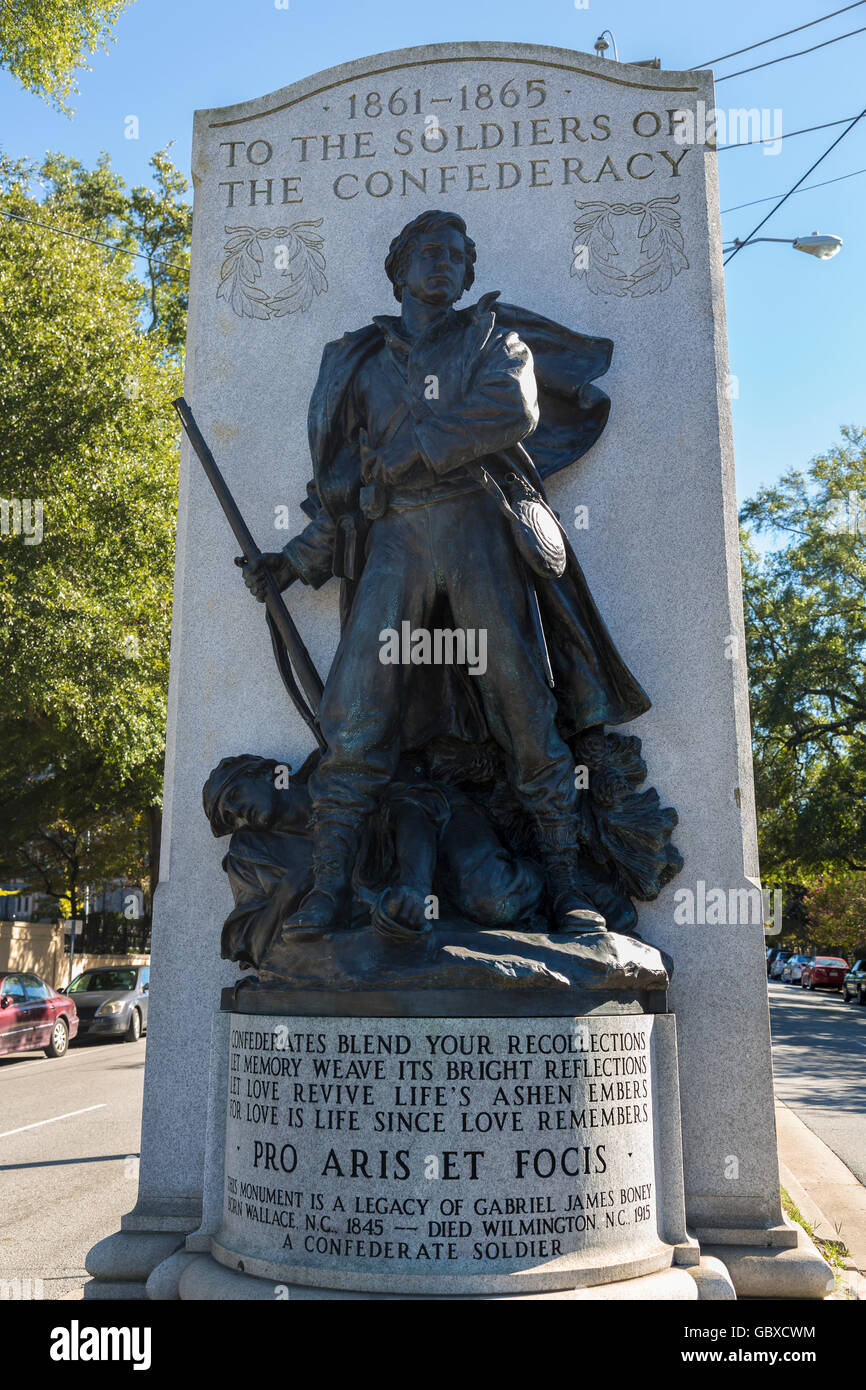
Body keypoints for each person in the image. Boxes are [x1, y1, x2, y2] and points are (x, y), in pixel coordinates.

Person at [242, 210, 650, 939]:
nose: (444, 264)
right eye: (427, 252)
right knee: (356, 712)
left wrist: (414, 450)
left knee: (524, 704)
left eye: (457, 256)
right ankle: (329, 887)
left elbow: (512, 409)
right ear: (397, 270)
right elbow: (343, 491)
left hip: (476, 527)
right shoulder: (358, 362)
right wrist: (295, 561)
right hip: (393, 539)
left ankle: (565, 884)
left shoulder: (494, 339)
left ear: (468, 274)